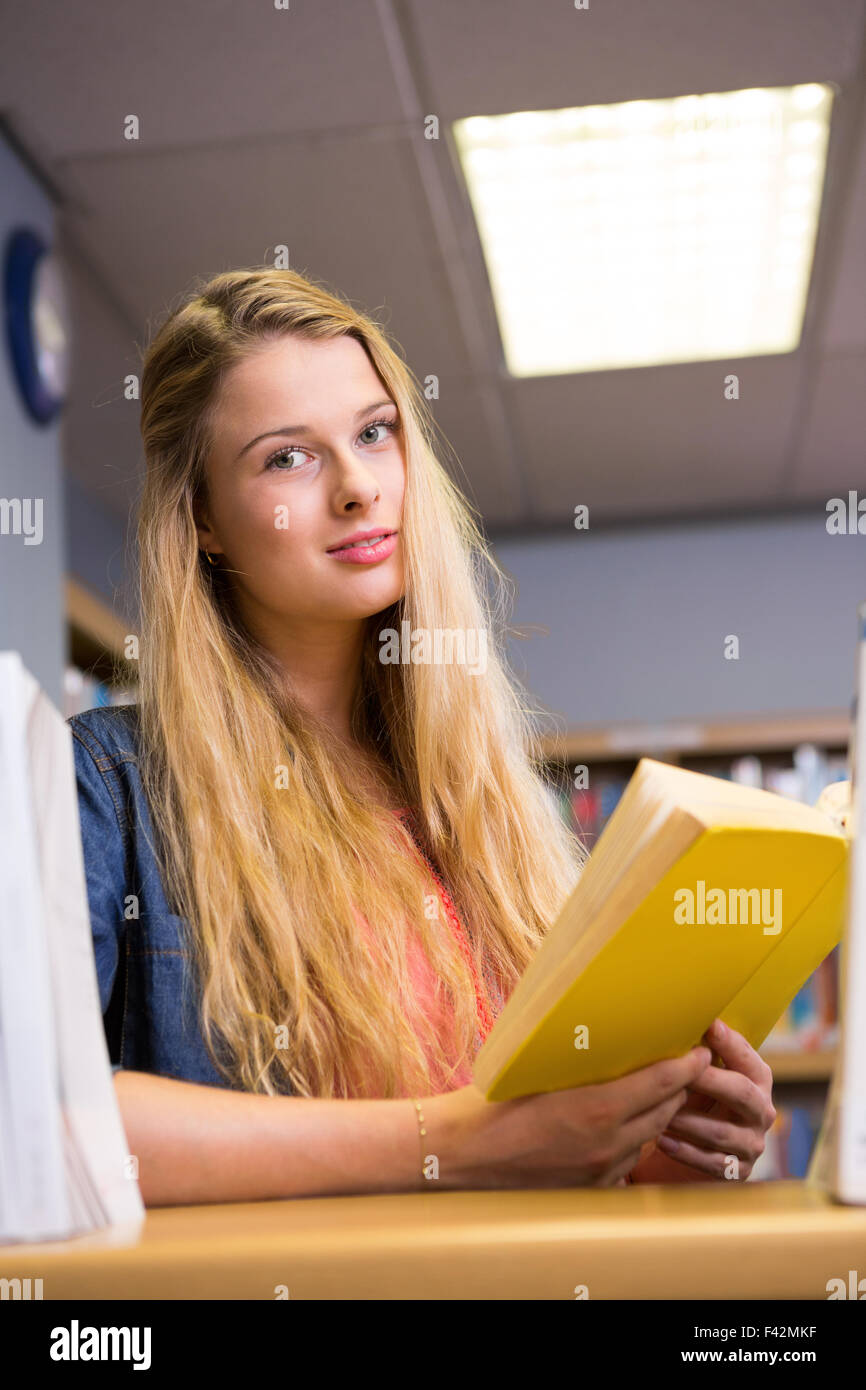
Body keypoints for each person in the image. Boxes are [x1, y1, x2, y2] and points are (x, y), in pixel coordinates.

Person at [69, 267, 775, 1206]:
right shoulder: (109, 785)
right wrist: (455, 1140)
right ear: (204, 522)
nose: (360, 486)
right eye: (289, 458)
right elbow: (43, 1118)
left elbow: (558, 1161)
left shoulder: (479, 797)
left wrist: (676, 1141)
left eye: (374, 432)